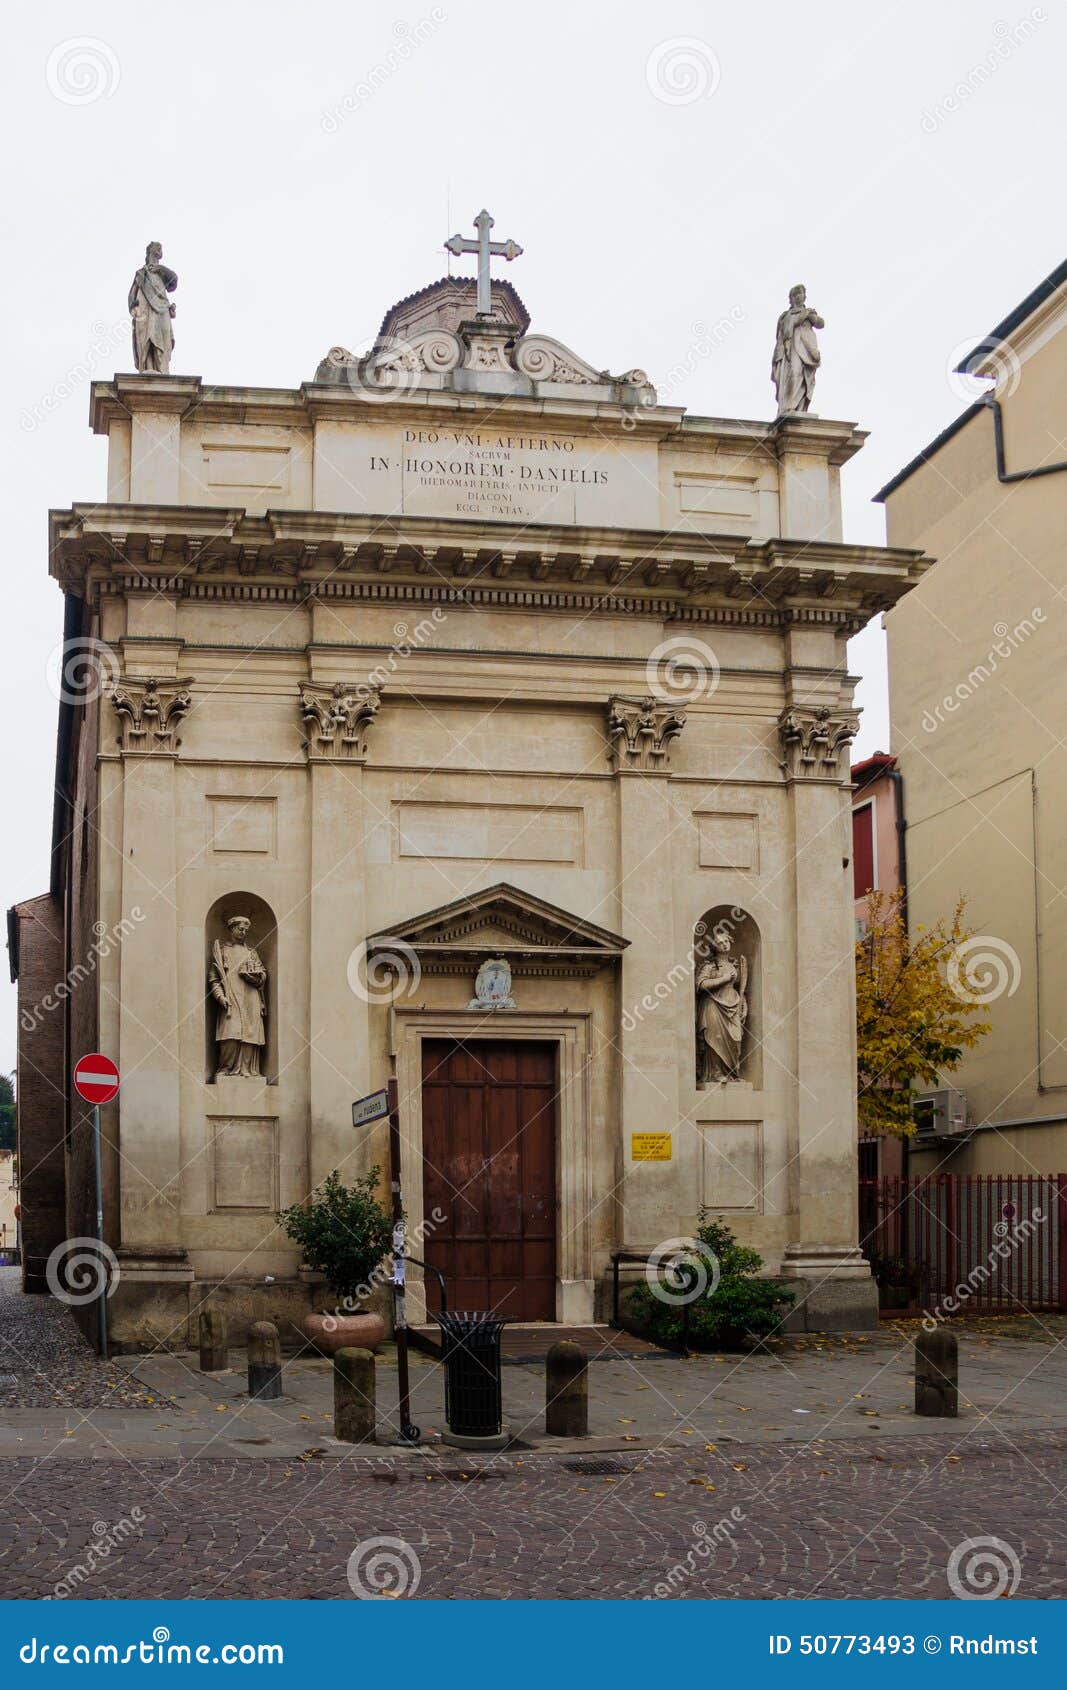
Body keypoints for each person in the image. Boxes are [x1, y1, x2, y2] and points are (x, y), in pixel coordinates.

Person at [209, 915, 267, 1079]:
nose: (243, 932)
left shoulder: (251, 953)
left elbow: (262, 974)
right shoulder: (222, 952)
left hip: (251, 998)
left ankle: (246, 1069)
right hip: (231, 998)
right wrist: (221, 997)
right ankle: (227, 1068)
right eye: (240, 929)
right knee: (230, 1035)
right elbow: (214, 979)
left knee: (250, 1035)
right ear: (232, 929)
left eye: (245, 930)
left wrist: (254, 977)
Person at [696, 930, 747, 1083]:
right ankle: (715, 1073)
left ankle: (732, 1073)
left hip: (732, 1005)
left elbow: (740, 989)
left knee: (736, 1038)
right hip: (713, 1005)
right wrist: (724, 979)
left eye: (726, 941)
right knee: (715, 1037)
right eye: (719, 943)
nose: (724, 945)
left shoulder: (735, 966)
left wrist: (743, 1003)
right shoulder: (709, 967)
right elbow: (701, 984)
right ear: (714, 947)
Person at [771, 284, 823, 415]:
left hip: (807, 349)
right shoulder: (785, 316)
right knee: (794, 373)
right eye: (795, 294)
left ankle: (800, 408)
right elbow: (781, 332)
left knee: (804, 376)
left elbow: (820, 323)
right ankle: (789, 407)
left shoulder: (810, 312)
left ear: (805, 296)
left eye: (801, 294)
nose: (799, 297)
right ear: (791, 298)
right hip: (791, 349)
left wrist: (810, 316)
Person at [128, 242, 178, 374]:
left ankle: (161, 369)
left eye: (160, 249)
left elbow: (173, 282)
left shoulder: (161, 271)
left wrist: (160, 268)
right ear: (151, 251)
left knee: (161, 335)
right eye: (158, 248)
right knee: (145, 335)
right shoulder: (141, 273)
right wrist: (133, 306)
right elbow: (132, 293)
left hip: (161, 307)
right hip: (143, 305)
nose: (160, 251)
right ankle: (148, 367)